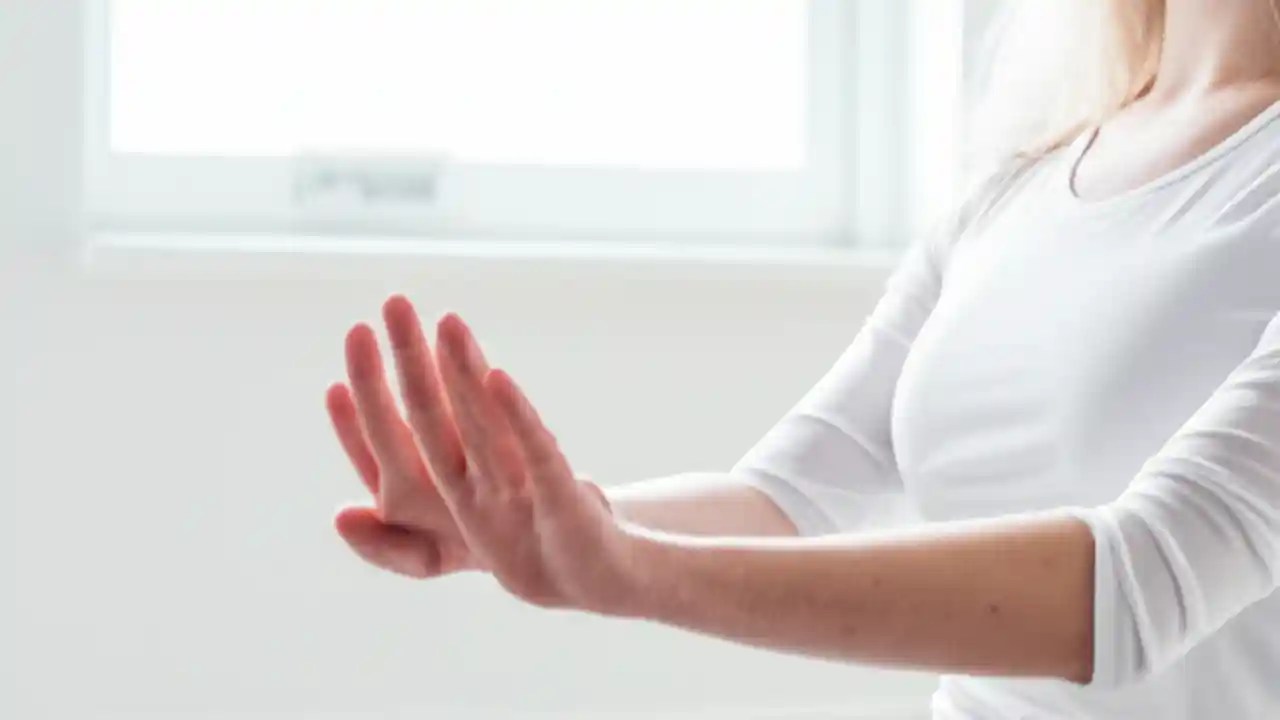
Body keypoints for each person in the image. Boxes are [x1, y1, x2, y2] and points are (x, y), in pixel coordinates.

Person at [323, 1, 1280, 717]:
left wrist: (630, 570)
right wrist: (538, 526)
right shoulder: (1028, 180)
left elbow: (1136, 585)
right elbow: (794, 495)